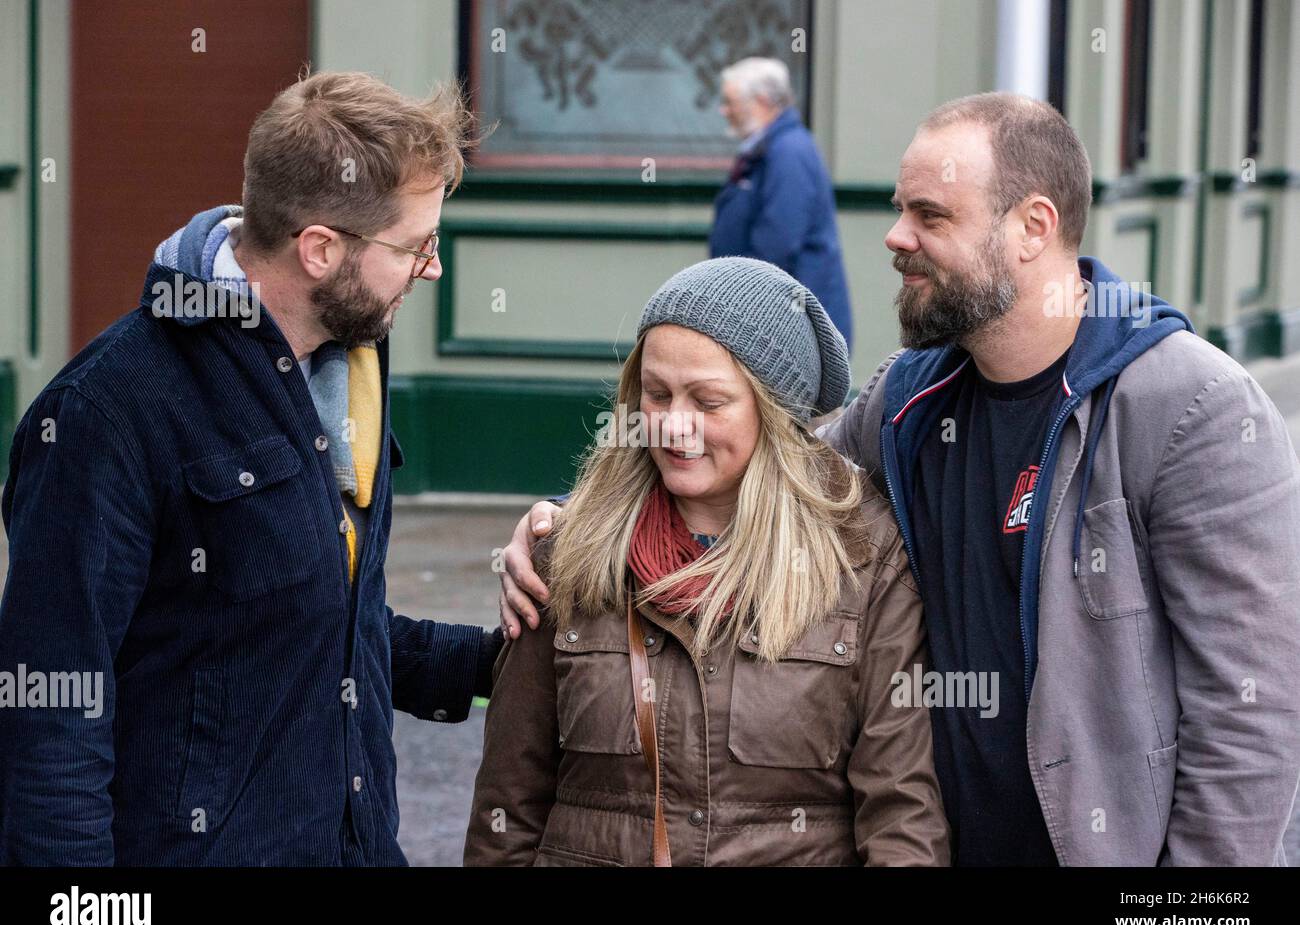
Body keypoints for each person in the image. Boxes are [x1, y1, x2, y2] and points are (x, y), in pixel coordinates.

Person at [497, 94, 1300, 866]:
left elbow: (1252, 717)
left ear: (1033, 227)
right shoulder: (908, 397)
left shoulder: (1191, 410)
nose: (894, 236)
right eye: (899, 208)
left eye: (930, 215)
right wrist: (570, 522)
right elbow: (755, 464)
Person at [0, 71, 504, 865]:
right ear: (320, 249)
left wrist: (507, 661)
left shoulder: (348, 366)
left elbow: (324, 623)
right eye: (416, 247)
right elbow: (52, 711)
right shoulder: (103, 415)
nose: (431, 268)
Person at [464, 258, 948, 866]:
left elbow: (900, 805)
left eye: (709, 401)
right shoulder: (567, 554)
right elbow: (510, 803)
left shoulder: (861, 557)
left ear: (774, 413)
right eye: (657, 393)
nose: (673, 425)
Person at [711, 57, 853, 350]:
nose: (723, 111)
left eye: (730, 102)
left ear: (761, 101)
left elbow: (777, 243)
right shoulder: (773, 148)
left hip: (789, 331)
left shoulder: (787, 152)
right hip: (780, 323)